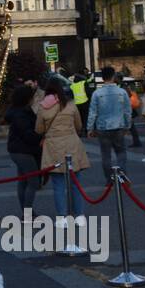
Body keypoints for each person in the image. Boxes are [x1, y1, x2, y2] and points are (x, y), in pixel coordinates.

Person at [35, 81, 89, 224]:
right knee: (75, 182)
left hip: (53, 147)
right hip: (72, 145)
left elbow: (39, 129)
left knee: (58, 185)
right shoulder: (70, 105)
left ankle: (62, 218)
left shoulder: (42, 108)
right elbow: (79, 125)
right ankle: (79, 216)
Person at [86, 66, 131, 179]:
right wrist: (128, 125)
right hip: (118, 125)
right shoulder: (122, 92)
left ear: (102, 78)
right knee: (121, 153)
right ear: (113, 76)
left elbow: (92, 112)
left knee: (106, 155)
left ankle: (109, 179)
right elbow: (127, 111)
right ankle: (122, 176)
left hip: (103, 127)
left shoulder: (97, 93)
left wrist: (90, 128)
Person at [4, 84, 43, 213]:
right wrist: (40, 136)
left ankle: (26, 211)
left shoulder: (16, 111)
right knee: (33, 182)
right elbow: (28, 134)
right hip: (24, 150)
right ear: (27, 98)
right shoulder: (22, 113)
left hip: (17, 149)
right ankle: (27, 213)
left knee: (23, 181)